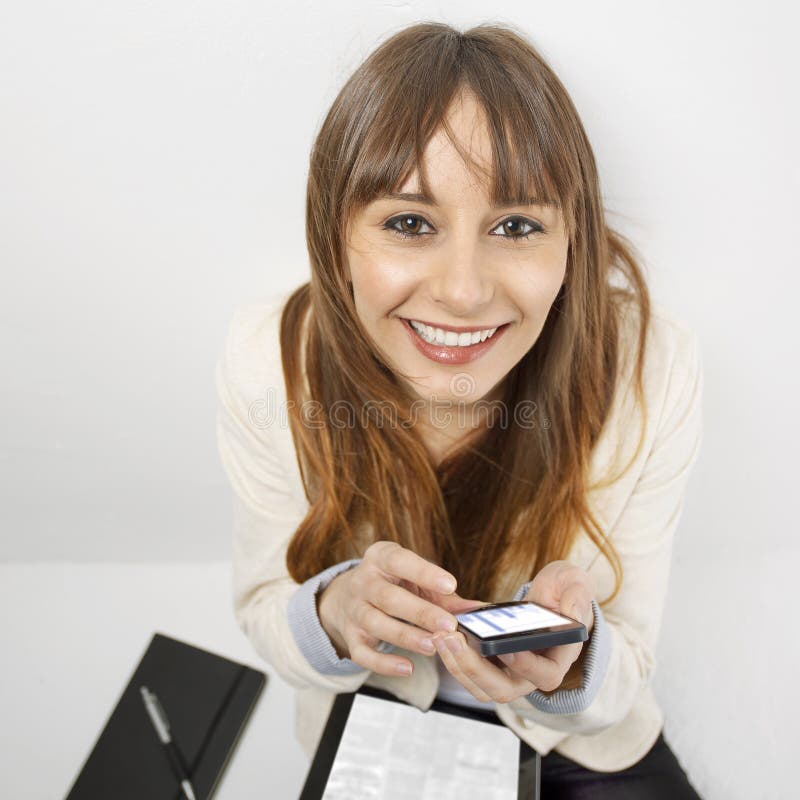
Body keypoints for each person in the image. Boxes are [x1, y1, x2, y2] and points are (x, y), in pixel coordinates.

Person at [215, 21, 704, 798]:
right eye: (409, 224)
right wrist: (336, 610)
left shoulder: (651, 367)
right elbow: (264, 609)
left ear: (571, 240)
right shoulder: (268, 361)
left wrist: (570, 667)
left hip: (572, 739)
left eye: (516, 226)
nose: (465, 292)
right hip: (376, 712)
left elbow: (629, 659)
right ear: (335, 237)